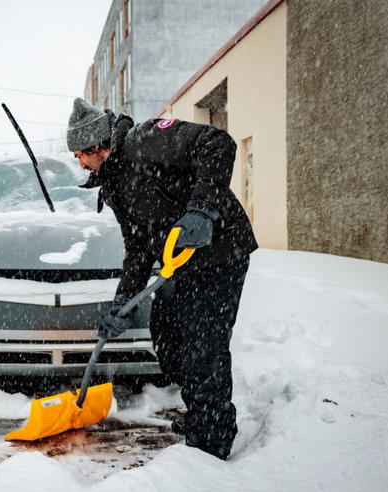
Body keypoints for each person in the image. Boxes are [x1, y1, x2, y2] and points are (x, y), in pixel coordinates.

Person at [67, 98, 257, 460]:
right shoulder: (114, 183)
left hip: (220, 251)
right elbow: (138, 248)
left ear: (97, 146)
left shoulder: (147, 139)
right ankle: (200, 413)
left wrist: (202, 209)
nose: (81, 164)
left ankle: (212, 439)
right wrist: (123, 301)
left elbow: (218, 143)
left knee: (203, 346)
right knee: (168, 338)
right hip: (182, 262)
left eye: (80, 155)